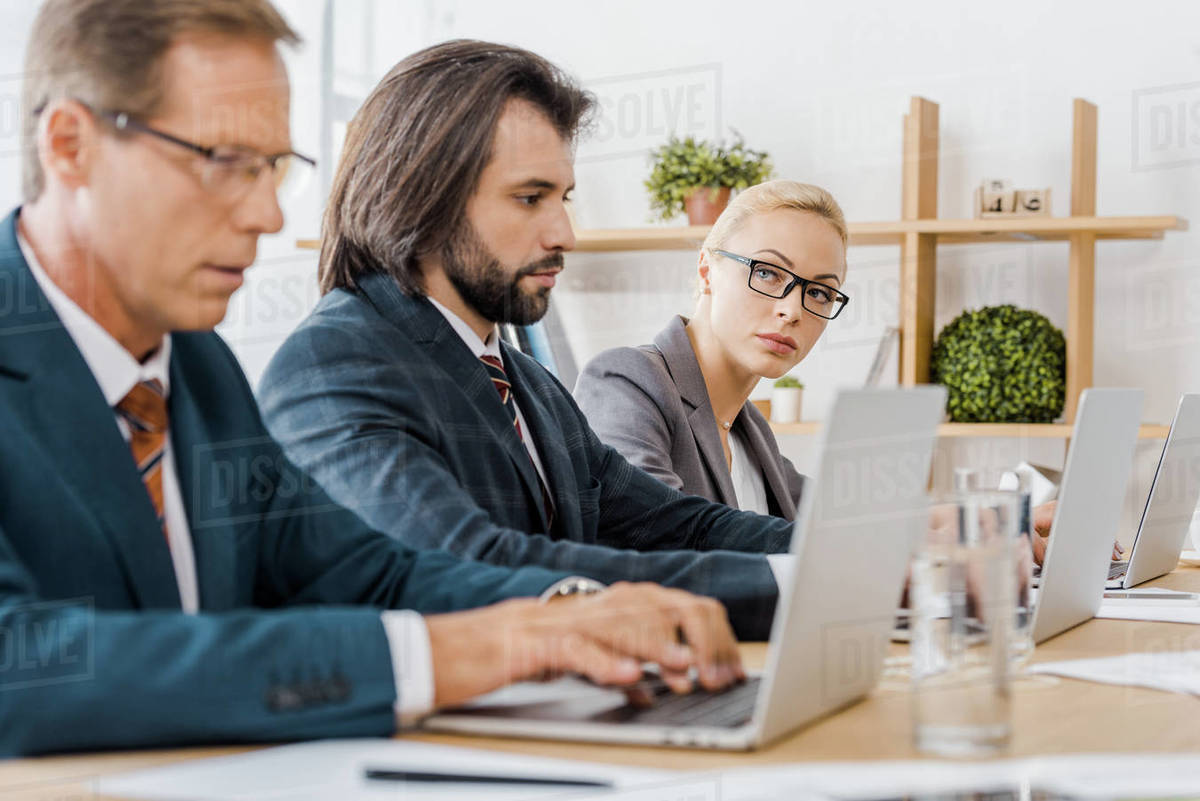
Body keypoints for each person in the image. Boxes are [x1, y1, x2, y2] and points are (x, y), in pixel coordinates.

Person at [0, 0, 743, 757]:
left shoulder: (198, 366)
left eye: (275, 168)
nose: (264, 212)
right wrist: (472, 650)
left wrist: (573, 610)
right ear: (70, 145)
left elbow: (372, 574)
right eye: (224, 161)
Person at [258, 40, 794, 642]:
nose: (565, 232)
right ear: (424, 199)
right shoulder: (334, 364)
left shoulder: (528, 383)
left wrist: (848, 552)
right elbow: (476, 567)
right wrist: (794, 586)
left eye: (562, 198)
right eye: (529, 198)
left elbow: (678, 526)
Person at [576, 181, 849, 520]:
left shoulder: (749, 430)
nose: (792, 311)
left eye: (820, 293)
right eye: (767, 273)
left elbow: (837, 515)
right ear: (706, 270)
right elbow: (659, 533)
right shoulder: (627, 381)